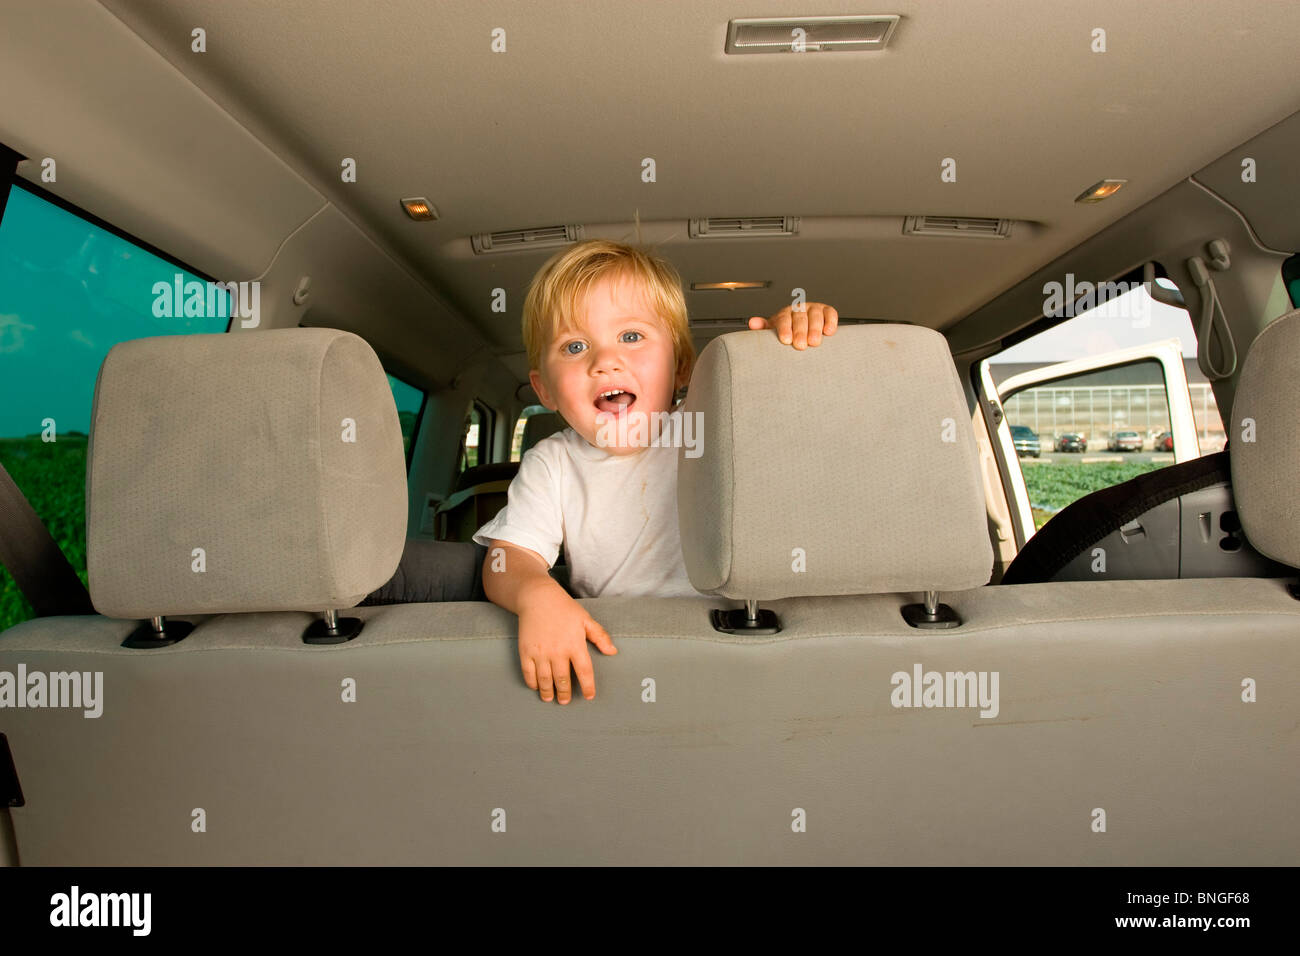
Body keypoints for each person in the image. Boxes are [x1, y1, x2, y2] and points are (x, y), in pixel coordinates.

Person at [474, 239, 837, 704]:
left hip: (743, 640)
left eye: (631, 336)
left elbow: (797, 429)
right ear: (545, 390)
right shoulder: (553, 463)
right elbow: (507, 560)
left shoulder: (711, 425)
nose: (605, 361)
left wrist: (785, 358)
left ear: (682, 366)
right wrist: (535, 595)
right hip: (625, 655)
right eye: (575, 345)